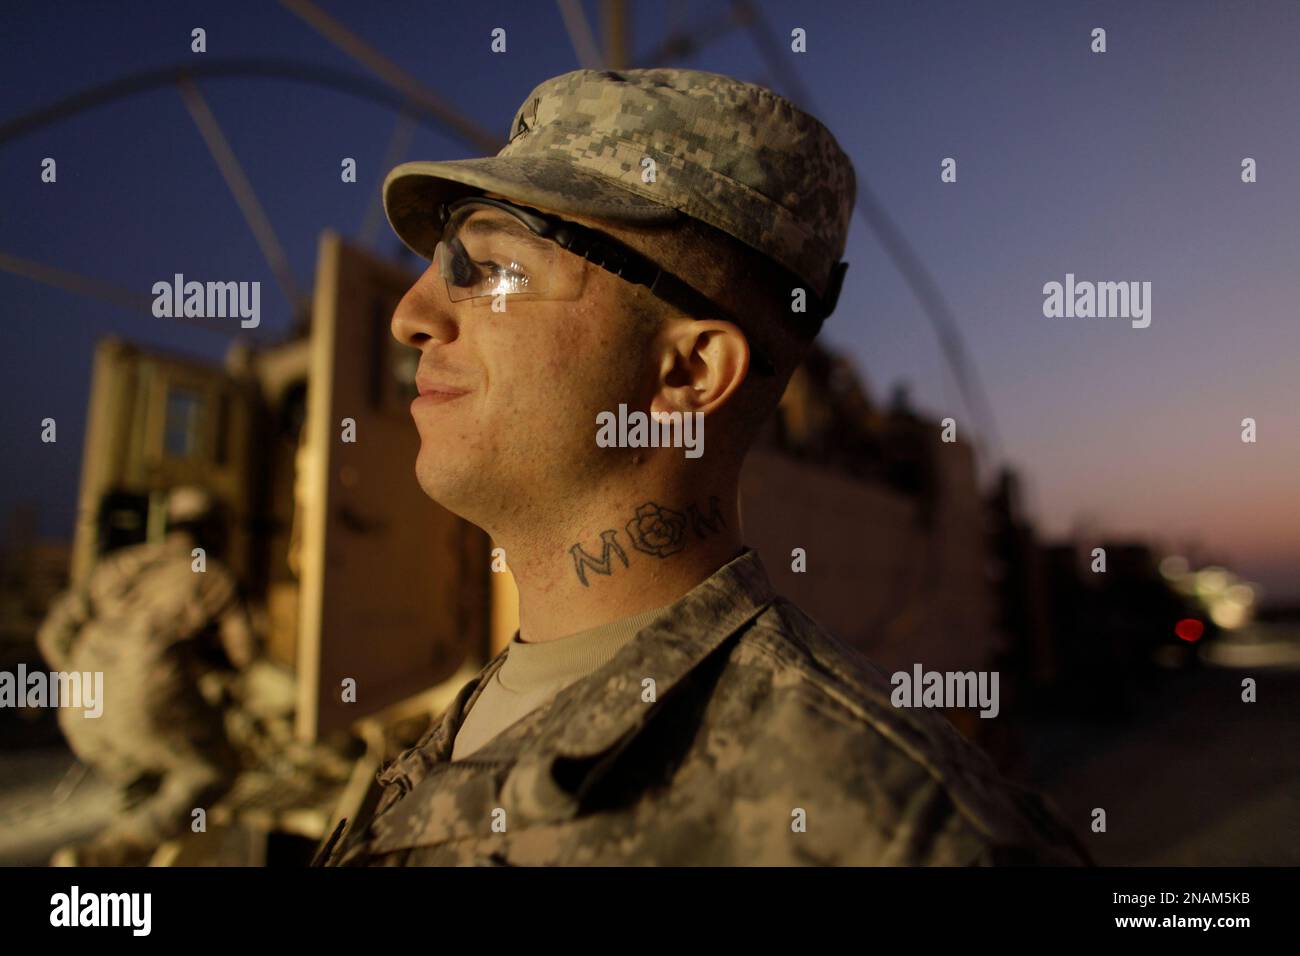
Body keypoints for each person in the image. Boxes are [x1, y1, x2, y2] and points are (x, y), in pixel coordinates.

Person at [319, 68, 1091, 866]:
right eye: (444, 260)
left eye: (496, 270)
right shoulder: (460, 723)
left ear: (688, 373)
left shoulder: (900, 834)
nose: (411, 315)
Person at [38, 485, 256, 866]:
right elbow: (245, 656)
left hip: (81, 709)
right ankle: (112, 852)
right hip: (146, 702)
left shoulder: (119, 564)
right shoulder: (211, 574)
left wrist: (83, 679)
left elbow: (52, 634)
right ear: (213, 531)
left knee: (138, 779)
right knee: (214, 771)